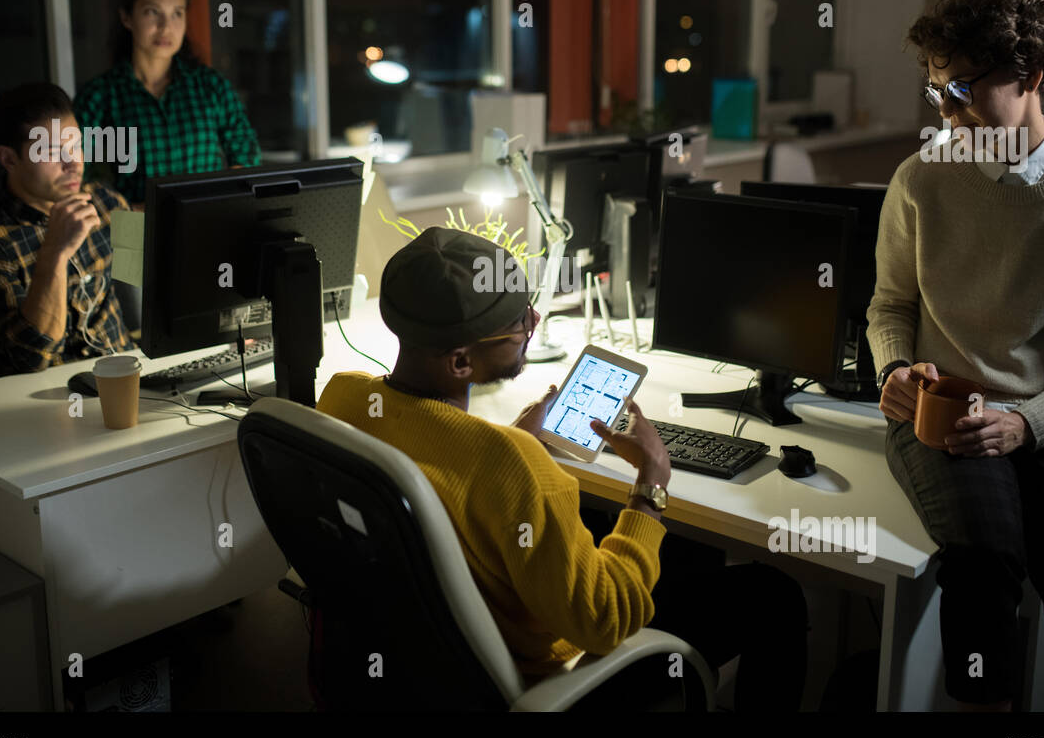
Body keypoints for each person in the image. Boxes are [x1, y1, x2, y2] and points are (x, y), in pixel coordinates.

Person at [317, 227, 808, 711]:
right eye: (518, 323)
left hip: (421, 667)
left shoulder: (342, 397)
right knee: (774, 594)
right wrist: (651, 484)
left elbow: (442, 463)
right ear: (461, 362)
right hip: (554, 675)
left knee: (672, 548)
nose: (533, 319)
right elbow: (606, 620)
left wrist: (510, 443)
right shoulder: (514, 464)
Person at [869, 0, 1044, 711]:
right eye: (936, 90)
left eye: (963, 88)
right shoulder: (920, 180)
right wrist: (894, 369)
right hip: (945, 411)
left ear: (1033, 74)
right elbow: (890, 306)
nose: (946, 110)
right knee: (986, 563)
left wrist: (1026, 424)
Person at [0, 83, 134, 376]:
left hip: (127, 375)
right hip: (50, 393)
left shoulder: (105, 202)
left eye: (76, 146)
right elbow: (32, 359)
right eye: (51, 152)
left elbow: (147, 293)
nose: (73, 163)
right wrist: (55, 253)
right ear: (9, 159)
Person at [73, 0, 262, 205]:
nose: (166, 27)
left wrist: (224, 198)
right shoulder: (99, 96)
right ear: (127, 17)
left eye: (177, 13)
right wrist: (126, 211)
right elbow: (77, 174)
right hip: (135, 225)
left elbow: (246, 155)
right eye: (152, 12)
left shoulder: (211, 87)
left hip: (207, 219)